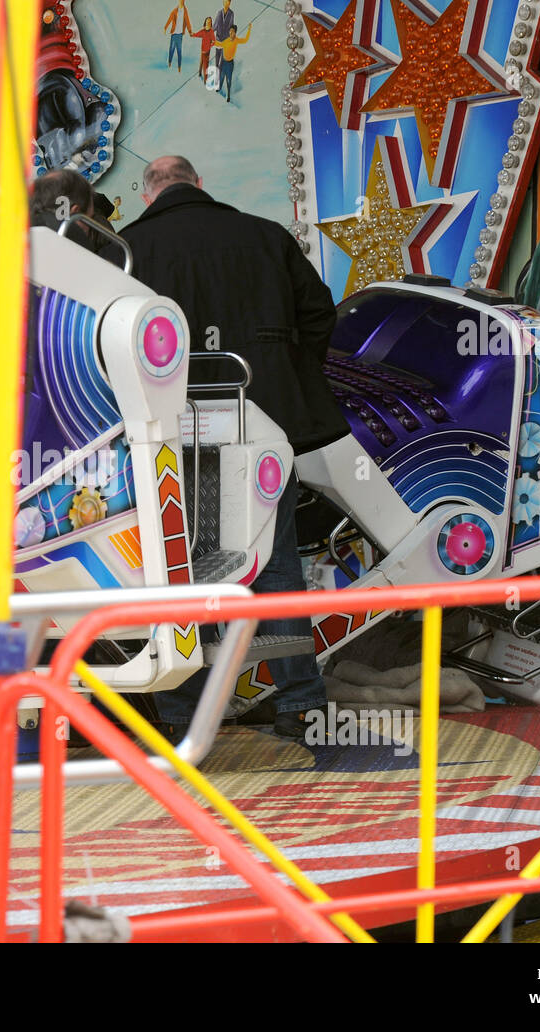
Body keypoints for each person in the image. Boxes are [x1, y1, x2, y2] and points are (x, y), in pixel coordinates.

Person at [120, 156, 347, 739]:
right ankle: (301, 702)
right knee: (274, 566)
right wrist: (282, 379)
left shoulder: (126, 250)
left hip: (171, 437)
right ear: (201, 184)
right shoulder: (266, 237)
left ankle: (184, 712)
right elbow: (320, 315)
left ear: (149, 195)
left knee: (180, 567)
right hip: (261, 429)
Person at [213, 23, 251, 103]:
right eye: (230, 31)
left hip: (229, 64)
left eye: (232, 31)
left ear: (235, 33)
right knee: (222, 77)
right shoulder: (226, 41)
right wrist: (213, 42)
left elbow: (245, 40)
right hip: (223, 62)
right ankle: (219, 88)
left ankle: (229, 95)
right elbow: (219, 44)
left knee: (228, 80)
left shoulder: (236, 41)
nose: (230, 33)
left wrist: (249, 29)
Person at [163, 1, 189, 73]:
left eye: (182, 1)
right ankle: (169, 62)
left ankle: (179, 67)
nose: (181, 2)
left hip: (180, 35)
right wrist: (165, 27)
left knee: (179, 51)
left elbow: (187, 22)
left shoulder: (185, 11)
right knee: (171, 49)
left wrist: (190, 32)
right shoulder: (175, 11)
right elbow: (170, 18)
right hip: (174, 34)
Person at [189, 17, 216, 82]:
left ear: (211, 23)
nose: (208, 23)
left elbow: (214, 41)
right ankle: (200, 73)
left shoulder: (211, 32)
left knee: (205, 66)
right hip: (202, 50)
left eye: (209, 22)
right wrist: (192, 34)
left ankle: (205, 80)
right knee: (201, 62)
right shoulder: (203, 31)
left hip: (207, 52)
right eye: (207, 21)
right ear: (205, 22)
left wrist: (210, 46)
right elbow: (197, 34)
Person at [211, 0, 235, 74]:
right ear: (223, 2)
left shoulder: (231, 13)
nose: (226, 4)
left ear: (230, 3)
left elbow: (231, 25)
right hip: (218, 39)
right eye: (225, 2)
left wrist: (231, 37)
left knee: (222, 60)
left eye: (228, 2)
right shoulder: (219, 13)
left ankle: (219, 74)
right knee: (217, 58)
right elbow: (215, 25)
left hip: (225, 41)